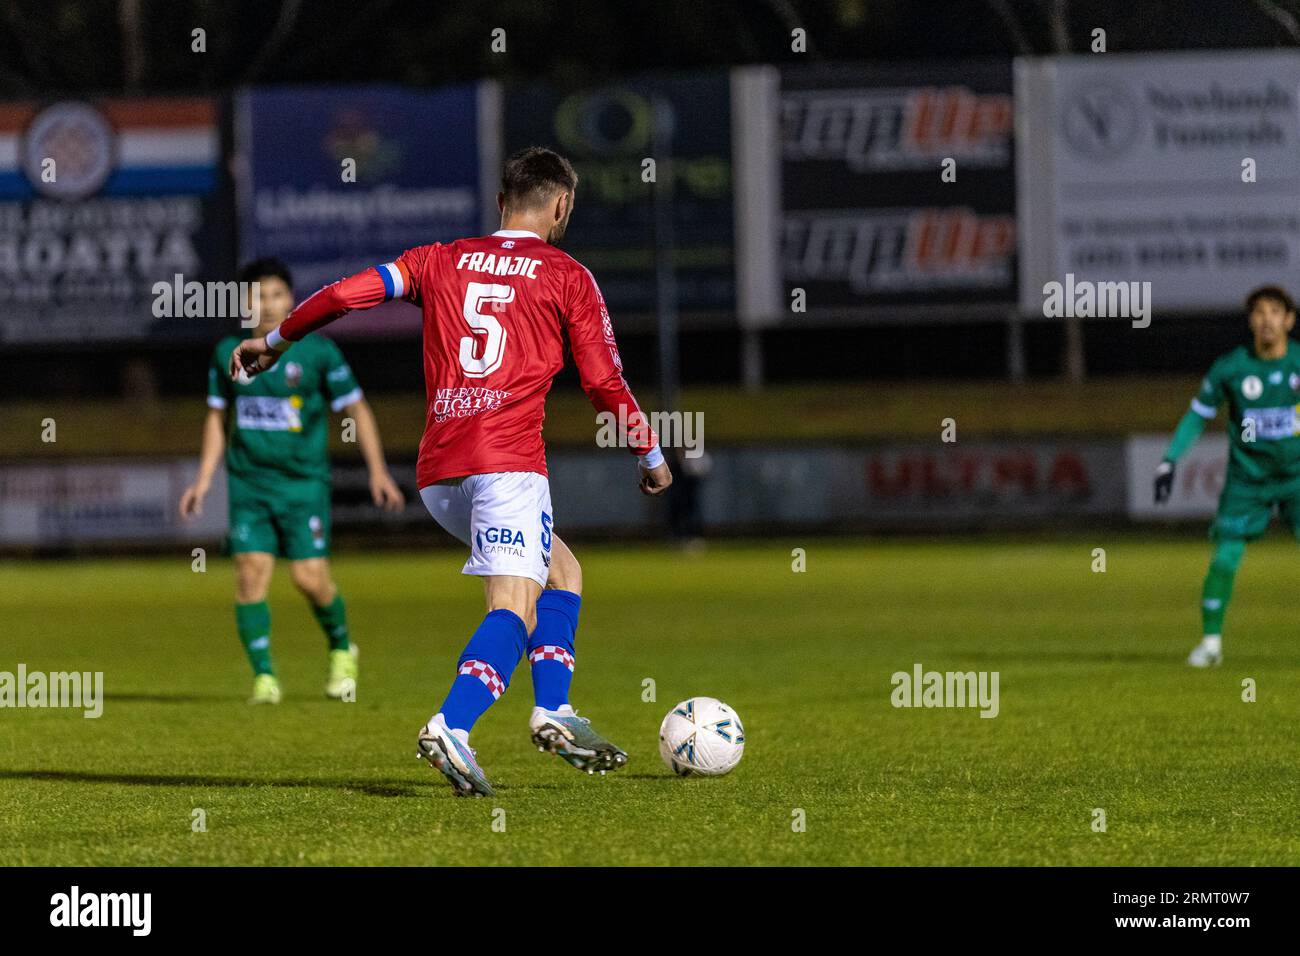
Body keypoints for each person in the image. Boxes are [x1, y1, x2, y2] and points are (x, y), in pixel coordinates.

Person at [229, 148, 672, 795]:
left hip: (439, 474)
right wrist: (650, 452)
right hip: (507, 465)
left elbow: (346, 295)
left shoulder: (438, 259)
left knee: (563, 572)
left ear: (501, 204)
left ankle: (554, 708)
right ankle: (453, 725)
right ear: (561, 206)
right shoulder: (567, 275)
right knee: (514, 607)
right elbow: (603, 381)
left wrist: (272, 342)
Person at [180, 257, 405, 703]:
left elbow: (357, 409)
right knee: (250, 573)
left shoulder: (317, 352)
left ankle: (342, 646)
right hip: (250, 485)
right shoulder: (228, 354)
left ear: (292, 300)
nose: (268, 303)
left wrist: (377, 470)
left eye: (277, 294)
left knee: (309, 579)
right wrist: (203, 479)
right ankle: (264, 678)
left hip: (303, 486)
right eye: (259, 295)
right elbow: (215, 417)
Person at [1154, 285, 1300, 666]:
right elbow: (1197, 416)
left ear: (1289, 320)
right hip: (1247, 480)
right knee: (1224, 559)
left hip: (1297, 478)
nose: (1266, 319)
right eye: (1259, 312)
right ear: (1250, 321)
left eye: (1274, 311)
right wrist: (1170, 460)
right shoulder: (1232, 368)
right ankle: (1212, 644)